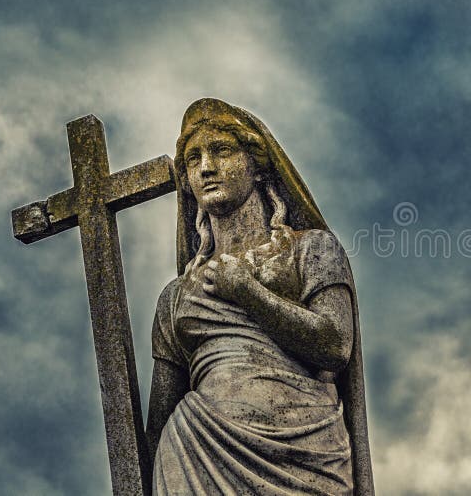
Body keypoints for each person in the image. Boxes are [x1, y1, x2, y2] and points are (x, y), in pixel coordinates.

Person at [146, 98, 374, 495]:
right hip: (195, 456)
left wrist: (248, 293)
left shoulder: (312, 249)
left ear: (258, 165)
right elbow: (157, 422)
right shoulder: (175, 299)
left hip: (305, 459)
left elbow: (336, 345)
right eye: (193, 159)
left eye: (221, 150)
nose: (206, 167)